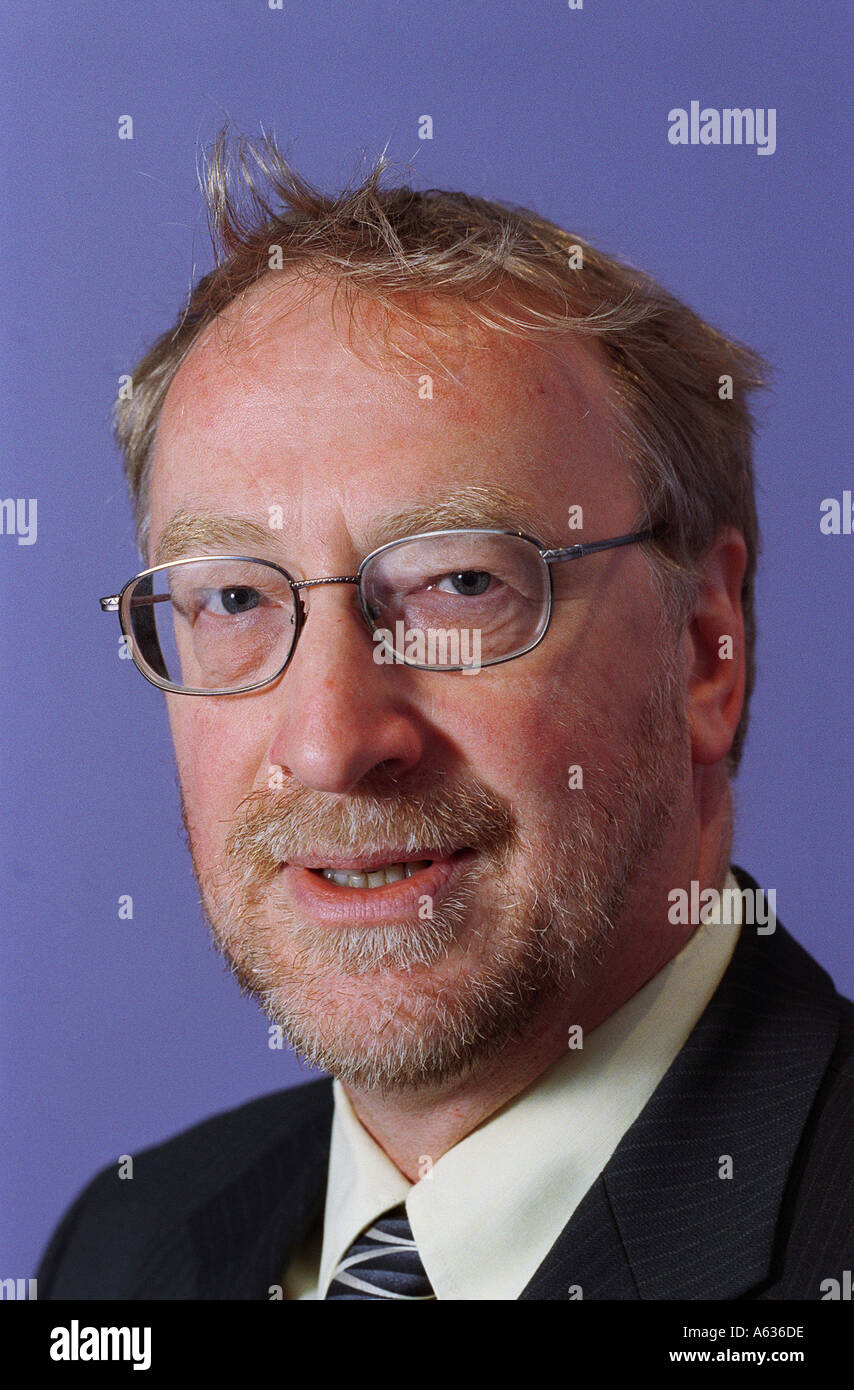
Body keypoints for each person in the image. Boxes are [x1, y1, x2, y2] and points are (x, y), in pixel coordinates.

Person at [38, 131, 853, 1301]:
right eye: (231, 596)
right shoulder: (127, 1251)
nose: (328, 739)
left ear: (703, 651)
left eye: (460, 583)